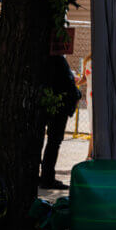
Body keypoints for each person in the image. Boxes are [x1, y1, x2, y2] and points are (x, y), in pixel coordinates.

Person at [40, 55, 81, 190]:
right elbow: (70, 86)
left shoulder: (40, 60)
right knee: (54, 142)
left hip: (44, 105)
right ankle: (47, 177)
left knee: (41, 141)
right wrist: (76, 95)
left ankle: (42, 175)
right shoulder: (59, 61)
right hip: (59, 107)